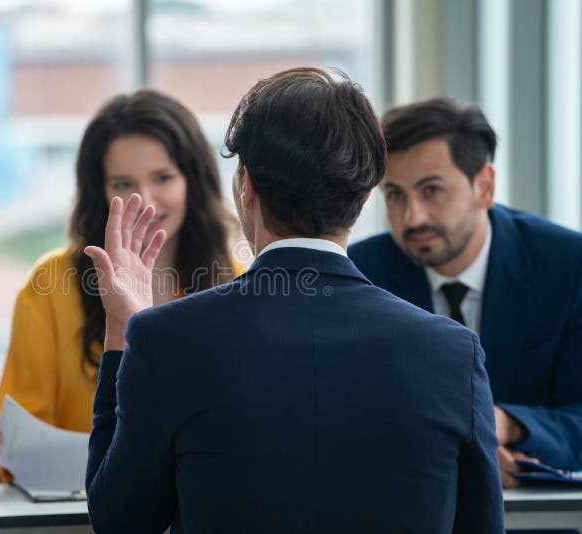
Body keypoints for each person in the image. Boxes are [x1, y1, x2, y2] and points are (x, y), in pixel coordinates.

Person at [83, 68, 504, 532]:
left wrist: (122, 328)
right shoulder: (454, 353)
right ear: (364, 198)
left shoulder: (165, 339)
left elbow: (118, 521)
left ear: (247, 190)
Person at [0, 90, 243, 481]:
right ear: (99, 192)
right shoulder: (51, 284)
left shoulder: (238, 281)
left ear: (193, 181)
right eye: (123, 184)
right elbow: (15, 446)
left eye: (163, 177)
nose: (144, 201)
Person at [348, 97, 582, 488]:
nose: (412, 217)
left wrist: (506, 424)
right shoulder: (362, 272)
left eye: (431, 190)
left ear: (484, 187)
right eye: (395, 195)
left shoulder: (567, 265)